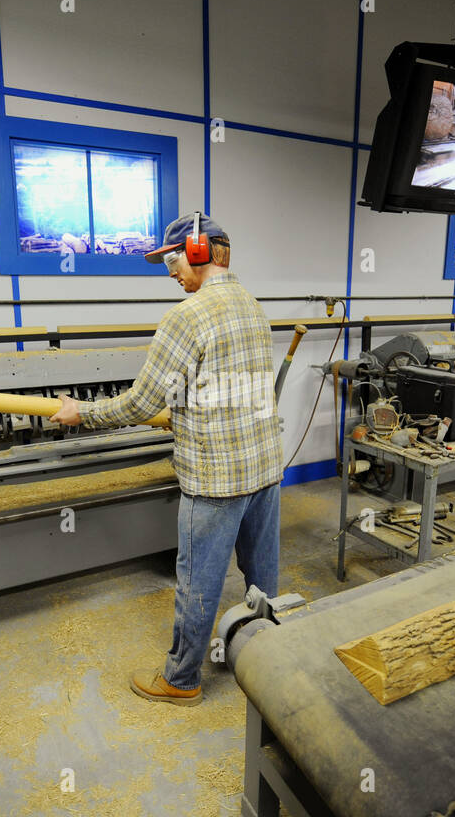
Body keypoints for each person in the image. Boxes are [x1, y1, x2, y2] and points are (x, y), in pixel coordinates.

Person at [51, 212, 282, 706]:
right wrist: (191, 409)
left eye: (172, 259)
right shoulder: (254, 306)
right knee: (263, 575)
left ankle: (181, 681)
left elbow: (140, 402)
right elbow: (238, 388)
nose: (170, 271)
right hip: (264, 469)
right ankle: (269, 660)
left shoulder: (187, 316)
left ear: (199, 252)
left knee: (198, 581)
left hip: (215, 479)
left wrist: (82, 413)